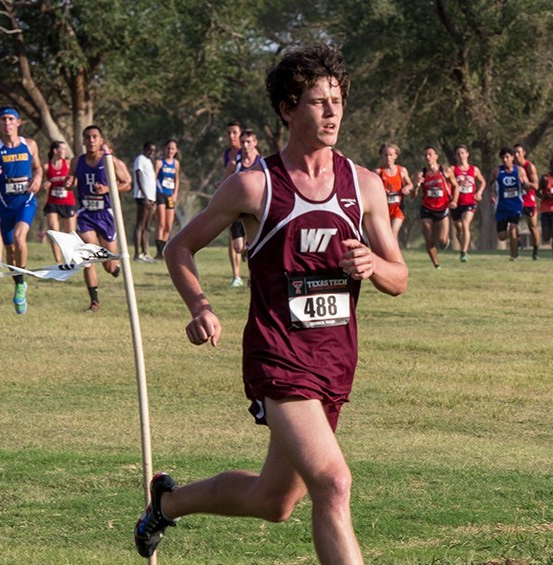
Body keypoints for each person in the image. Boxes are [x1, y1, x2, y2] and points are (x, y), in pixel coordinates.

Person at [137, 44, 407, 564]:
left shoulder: (364, 185)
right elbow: (179, 246)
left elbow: (399, 278)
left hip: (334, 360)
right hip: (278, 357)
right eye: (316, 102)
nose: (332, 112)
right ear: (287, 109)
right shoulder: (254, 186)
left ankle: (167, 502)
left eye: (337, 100)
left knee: (274, 500)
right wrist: (200, 306)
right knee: (333, 482)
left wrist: (373, 266)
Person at [0, 106, 43, 314]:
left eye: (11, 119)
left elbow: (38, 168)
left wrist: (37, 178)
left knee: (19, 239)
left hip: (26, 201)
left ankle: (22, 279)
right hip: (6, 206)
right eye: (3, 119)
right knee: (9, 249)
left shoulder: (30, 145)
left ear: (18, 123)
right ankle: (18, 283)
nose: (7, 123)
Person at [68, 126, 131, 311]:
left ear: (101, 139)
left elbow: (127, 183)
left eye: (95, 137)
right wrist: (69, 181)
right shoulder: (77, 161)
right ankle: (94, 301)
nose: (91, 140)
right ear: (83, 140)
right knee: (88, 254)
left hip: (106, 214)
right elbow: (71, 177)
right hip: (86, 212)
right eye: (87, 137)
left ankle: (114, 267)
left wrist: (108, 188)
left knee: (108, 265)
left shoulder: (110, 161)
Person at [222, 129, 263, 287]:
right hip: (238, 211)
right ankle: (238, 275)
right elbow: (225, 184)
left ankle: (252, 277)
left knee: (255, 245)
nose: (245, 145)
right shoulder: (235, 164)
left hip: (255, 211)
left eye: (249, 142)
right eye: (243, 142)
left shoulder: (261, 163)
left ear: (255, 143)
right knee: (238, 247)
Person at [413, 146, 459, 269]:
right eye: (425, 155)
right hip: (427, 209)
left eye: (430, 154)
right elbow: (413, 195)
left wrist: (454, 200)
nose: (428, 157)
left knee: (442, 239)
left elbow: (456, 187)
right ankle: (436, 264)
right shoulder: (421, 173)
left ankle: (445, 241)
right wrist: (416, 185)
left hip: (443, 209)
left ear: (436, 156)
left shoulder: (445, 171)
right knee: (428, 239)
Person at [39, 140, 76, 264]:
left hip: (68, 202)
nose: (65, 152)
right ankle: (58, 262)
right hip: (52, 203)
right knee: (54, 232)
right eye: (63, 149)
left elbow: (76, 182)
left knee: (70, 234)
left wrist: (71, 182)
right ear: (55, 151)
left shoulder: (69, 164)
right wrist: (45, 185)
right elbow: (40, 185)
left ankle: (70, 259)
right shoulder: (46, 167)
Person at [491, 147, 531, 261]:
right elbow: (491, 184)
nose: (505, 160)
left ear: (512, 158)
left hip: (515, 205)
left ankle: (513, 256)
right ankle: (517, 240)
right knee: (502, 236)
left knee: (513, 230)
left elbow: (526, 185)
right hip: (502, 206)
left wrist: (526, 185)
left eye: (507, 157)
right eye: (503, 157)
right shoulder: (497, 171)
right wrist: (491, 194)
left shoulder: (519, 170)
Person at [451, 145, 486, 262]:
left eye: (462, 153)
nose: (460, 156)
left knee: (466, 224)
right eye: (458, 154)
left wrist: (479, 193)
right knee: (459, 229)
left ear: (467, 154)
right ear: (456, 157)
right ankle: (463, 246)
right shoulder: (452, 170)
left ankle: (463, 252)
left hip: (469, 202)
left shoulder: (474, 170)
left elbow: (482, 182)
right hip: (456, 203)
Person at [376, 143, 413, 244]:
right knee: (383, 236)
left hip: (397, 209)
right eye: (385, 155)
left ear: (396, 156)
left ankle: (395, 258)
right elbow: (371, 188)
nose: (388, 158)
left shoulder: (402, 170)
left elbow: (410, 184)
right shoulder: (378, 172)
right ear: (381, 156)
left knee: (393, 232)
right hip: (382, 210)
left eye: (391, 155)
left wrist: (407, 188)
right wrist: (381, 191)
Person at [132, 141, 157, 263]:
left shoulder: (149, 161)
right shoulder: (140, 159)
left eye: (153, 150)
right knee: (140, 225)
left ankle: (145, 252)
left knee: (147, 227)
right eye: (150, 149)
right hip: (143, 197)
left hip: (151, 198)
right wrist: (145, 196)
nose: (152, 152)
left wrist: (152, 199)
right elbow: (139, 177)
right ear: (144, 149)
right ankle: (137, 254)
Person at [154, 139, 179, 259]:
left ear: (176, 150)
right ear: (165, 149)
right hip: (160, 193)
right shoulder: (159, 162)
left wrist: (175, 194)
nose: (170, 151)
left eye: (173, 149)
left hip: (170, 195)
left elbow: (177, 179)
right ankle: (158, 252)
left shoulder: (176, 163)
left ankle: (163, 250)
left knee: (169, 225)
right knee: (161, 223)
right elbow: (153, 178)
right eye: (168, 148)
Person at [514, 144, 540, 259]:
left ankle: (535, 251)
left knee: (532, 226)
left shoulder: (529, 166)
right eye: (514, 153)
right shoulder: (511, 167)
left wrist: (525, 182)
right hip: (515, 199)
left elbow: (536, 186)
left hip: (529, 199)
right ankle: (517, 247)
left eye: (518, 152)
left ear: (524, 152)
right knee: (513, 225)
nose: (516, 155)